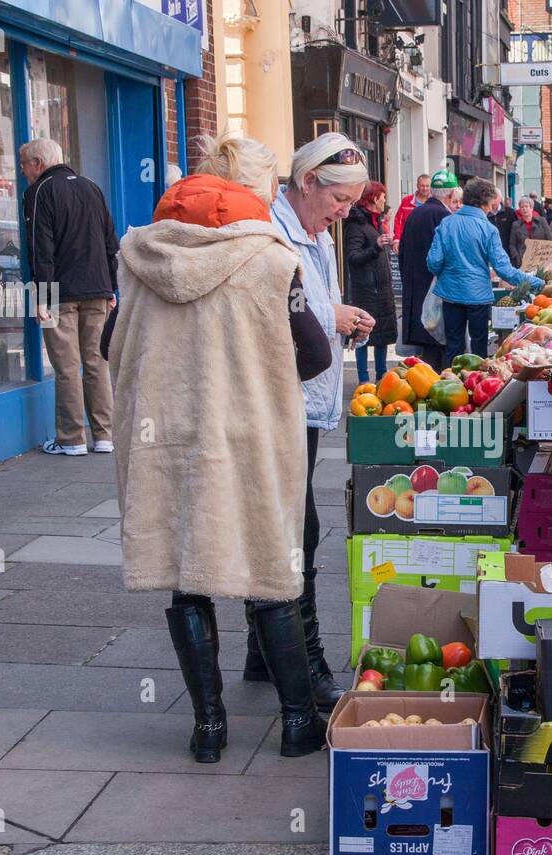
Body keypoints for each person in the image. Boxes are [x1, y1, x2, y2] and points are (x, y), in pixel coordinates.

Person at [109, 133, 333, 761]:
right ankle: (297, 723)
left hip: (167, 440)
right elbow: (315, 354)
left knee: (187, 580)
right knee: (271, 573)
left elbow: (110, 346)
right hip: (248, 437)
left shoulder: (139, 256)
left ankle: (208, 729)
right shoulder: (272, 260)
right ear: (254, 190)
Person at [241, 132, 376, 720]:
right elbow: (271, 308)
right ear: (307, 182)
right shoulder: (271, 232)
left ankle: (263, 652)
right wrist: (333, 315)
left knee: (290, 527)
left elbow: (314, 306)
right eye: (339, 199)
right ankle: (306, 663)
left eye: (351, 203)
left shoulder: (316, 235)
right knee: (297, 532)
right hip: (279, 403)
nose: (345, 212)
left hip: (308, 400)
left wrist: (345, 323)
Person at [20, 138, 118, 457]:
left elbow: (41, 248)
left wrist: (41, 296)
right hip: (98, 290)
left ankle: (71, 439)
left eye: (24, 165)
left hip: (59, 295)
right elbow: (111, 242)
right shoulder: (92, 187)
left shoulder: (39, 192)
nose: (23, 172)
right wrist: (112, 288)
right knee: (96, 363)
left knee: (66, 367)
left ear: (38, 163)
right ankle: (104, 436)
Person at [427, 178, 544, 365]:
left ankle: (450, 377)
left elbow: (433, 262)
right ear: (485, 202)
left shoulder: (447, 223)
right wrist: (536, 282)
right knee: (479, 347)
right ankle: (477, 378)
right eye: (491, 203)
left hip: (450, 293)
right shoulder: (488, 229)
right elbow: (504, 269)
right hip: (478, 295)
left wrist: (448, 274)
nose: (492, 208)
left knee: (453, 345)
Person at [399, 169, 456, 369]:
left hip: (415, 291)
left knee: (425, 355)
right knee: (439, 355)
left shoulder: (415, 213)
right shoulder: (445, 216)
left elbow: (402, 252)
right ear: (451, 194)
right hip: (436, 296)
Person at [344, 180, 398, 383]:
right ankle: (364, 379)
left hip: (381, 289)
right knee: (363, 335)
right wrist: (375, 247)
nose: (385, 201)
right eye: (383, 197)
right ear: (374, 199)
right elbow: (353, 257)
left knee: (382, 336)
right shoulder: (356, 225)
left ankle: (382, 376)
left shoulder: (376, 222)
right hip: (366, 291)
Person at [508, 196, 552, 266]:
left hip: (541, 259)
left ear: (531, 208)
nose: (524, 209)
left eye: (526, 206)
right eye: (522, 207)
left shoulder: (542, 221)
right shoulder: (516, 224)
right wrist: (517, 257)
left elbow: (550, 240)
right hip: (523, 260)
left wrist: (550, 256)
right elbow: (512, 244)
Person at [393, 173, 431, 245]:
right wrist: (397, 239)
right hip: (408, 242)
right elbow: (398, 221)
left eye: (427, 186)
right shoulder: (406, 201)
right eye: (422, 185)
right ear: (417, 185)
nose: (425, 188)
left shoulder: (434, 202)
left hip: (428, 243)